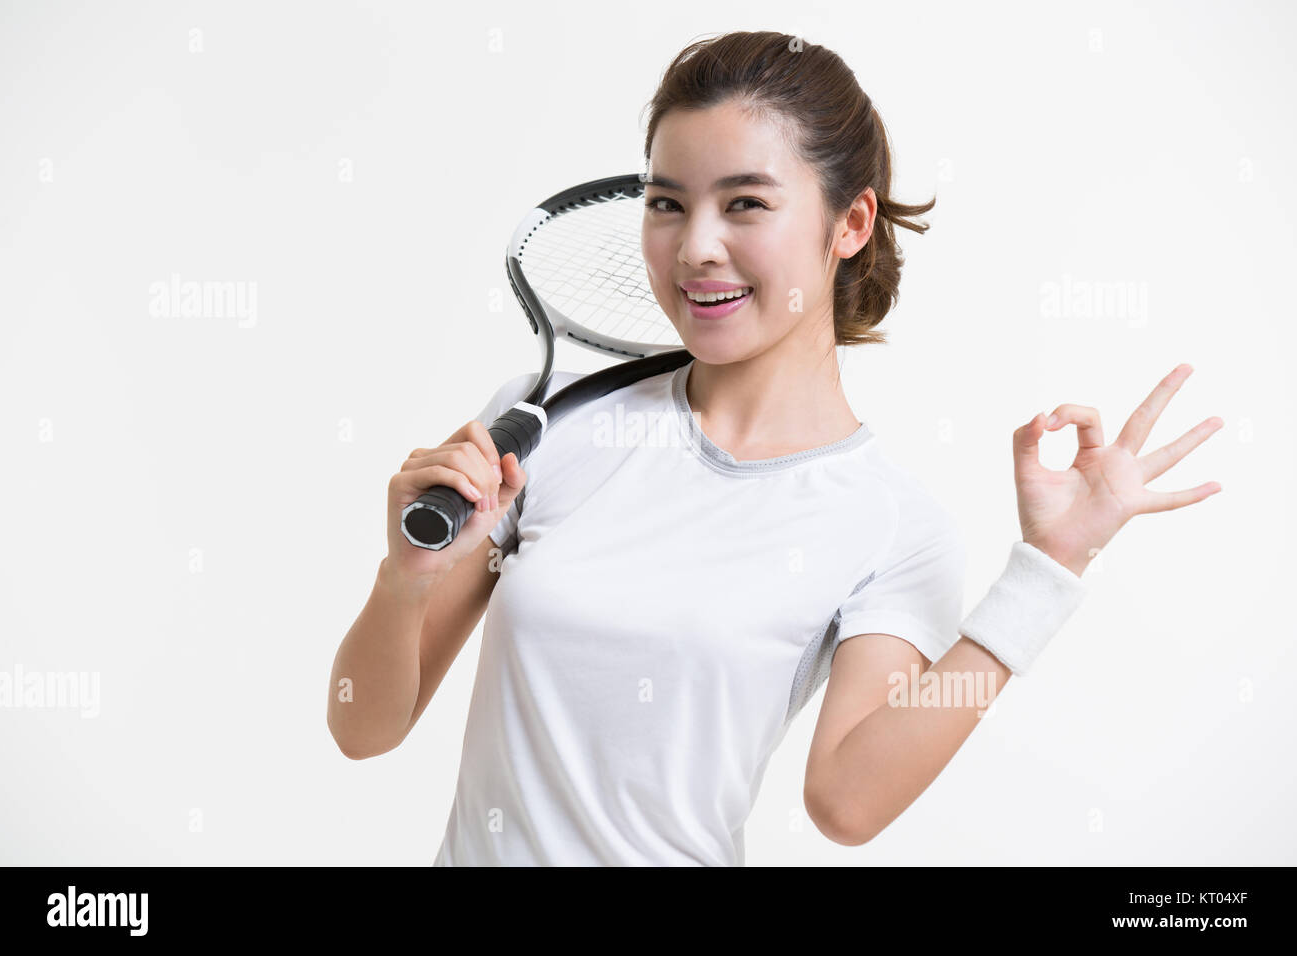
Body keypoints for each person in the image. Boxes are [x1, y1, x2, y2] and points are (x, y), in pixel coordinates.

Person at [327, 31, 1223, 866]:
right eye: (666, 205)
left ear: (852, 224)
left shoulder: (891, 526)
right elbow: (364, 728)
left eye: (746, 203)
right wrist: (404, 578)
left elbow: (848, 803)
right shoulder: (545, 426)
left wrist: (1048, 569)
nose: (696, 247)